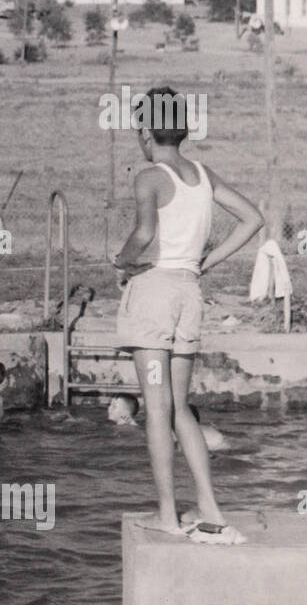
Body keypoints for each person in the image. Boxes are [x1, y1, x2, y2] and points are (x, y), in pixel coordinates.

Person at [113, 86, 263, 543]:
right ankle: (210, 507)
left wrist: (121, 261)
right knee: (180, 410)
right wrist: (206, 262)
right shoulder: (202, 172)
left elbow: (143, 234)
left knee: (155, 410)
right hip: (188, 293)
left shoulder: (149, 176)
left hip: (154, 293)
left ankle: (167, 514)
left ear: (145, 131)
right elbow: (253, 219)